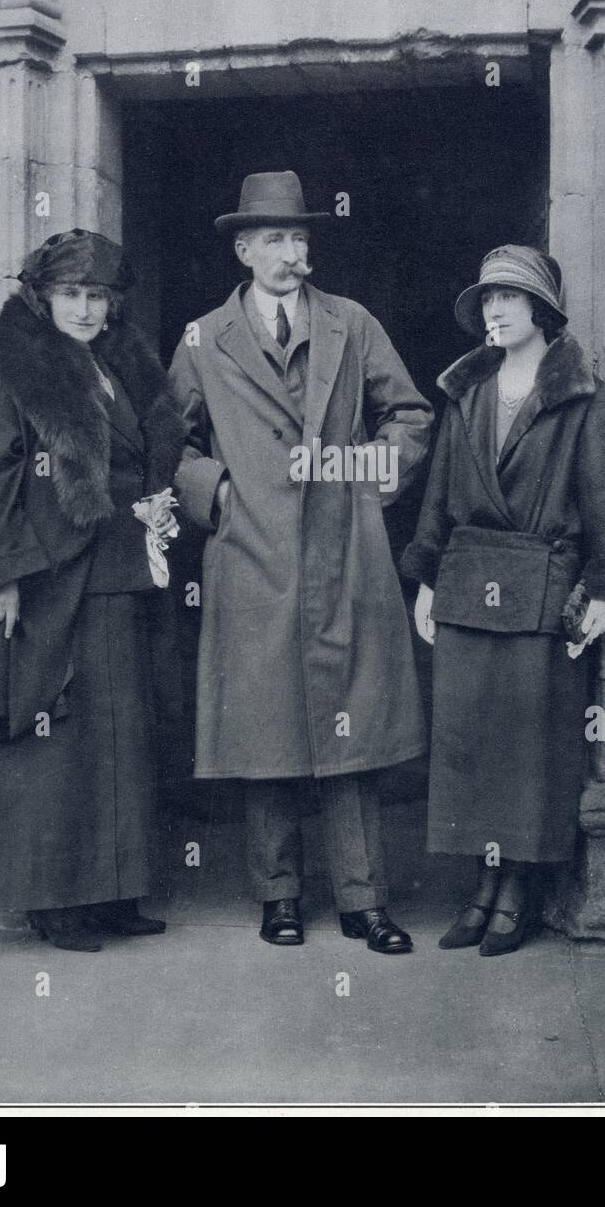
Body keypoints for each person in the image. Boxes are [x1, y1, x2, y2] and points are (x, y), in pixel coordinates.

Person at [169, 171, 433, 954]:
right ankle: (277, 896)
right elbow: (166, 440)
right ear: (244, 249)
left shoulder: (352, 324)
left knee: (351, 737)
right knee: (266, 736)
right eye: (277, 239)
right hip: (250, 556)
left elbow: (410, 414)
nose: (294, 254)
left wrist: (372, 473)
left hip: (343, 552)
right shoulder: (201, 338)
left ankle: (363, 902)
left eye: (302, 238)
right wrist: (214, 493)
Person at [0, 229, 187, 952]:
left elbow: (147, 459)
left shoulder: (119, 371)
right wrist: (3, 578)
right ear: (42, 298)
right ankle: (54, 904)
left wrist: (156, 506)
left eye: (97, 296)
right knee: (57, 744)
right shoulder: (11, 379)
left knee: (119, 741)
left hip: (117, 576)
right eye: (71, 295)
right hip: (50, 582)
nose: (85, 309)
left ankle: (113, 892)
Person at [401, 245, 605, 955]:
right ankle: (482, 888)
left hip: (540, 588)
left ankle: (519, 895)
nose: (494, 310)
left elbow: (601, 500)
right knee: (471, 746)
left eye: (508, 297)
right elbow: (440, 493)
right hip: (470, 584)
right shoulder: (466, 388)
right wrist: (428, 578)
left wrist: (604, 586)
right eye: (487, 300)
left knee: (529, 751)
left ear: (540, 308)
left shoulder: (581, 394)